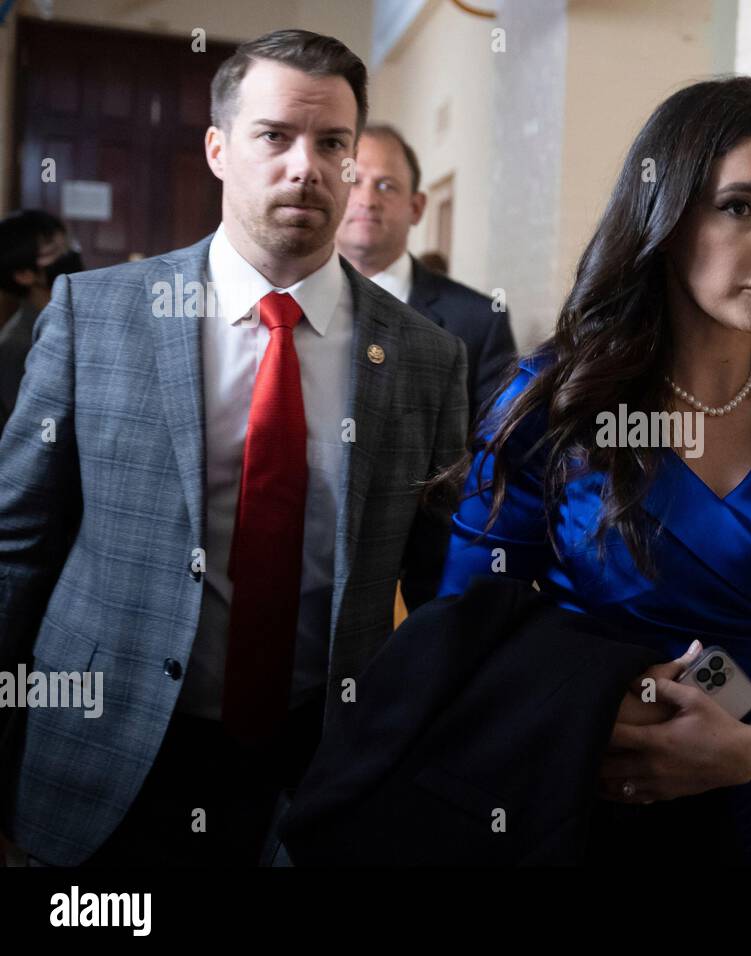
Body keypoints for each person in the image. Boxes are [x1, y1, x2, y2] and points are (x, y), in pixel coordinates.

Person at [0, 29, 468, 867]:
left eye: (333, 144)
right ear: (218, 148)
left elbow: (440, 587)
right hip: (110, 751)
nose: (307, 167)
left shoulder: (426, 359)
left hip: (318, 763)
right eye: (275, 136)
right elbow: (16, 547)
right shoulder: (92, 316)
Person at [431, 76, 751, 866]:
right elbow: (463, 627)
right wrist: (596, 708)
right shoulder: (555, 401)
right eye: (741, 207)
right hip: (580, 810)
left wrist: (742, 752)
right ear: (667, 220)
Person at [336, 124, 516, 417]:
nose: (367, 200)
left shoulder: (481, 321)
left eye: (386, 186)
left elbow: (497, 449)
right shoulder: (287, 306)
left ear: (416, 207)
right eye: (353, 181)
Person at [0, 210, 81, 436]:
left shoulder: (74, 320)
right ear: (24, 274)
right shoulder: (17, 346)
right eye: (51, 247)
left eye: (65, 240)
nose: (68, 251)